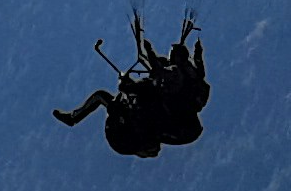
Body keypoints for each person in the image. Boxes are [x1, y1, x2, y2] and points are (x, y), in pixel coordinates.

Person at [56, 10, 211, 157]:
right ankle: (73, 118)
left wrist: (144, 53)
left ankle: (73, 118)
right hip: (171, 128)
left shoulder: (171, 80)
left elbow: (149, 80)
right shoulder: (189, 77)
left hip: (129, 136)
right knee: (117, 98)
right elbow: (153, 78)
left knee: (103, 97)